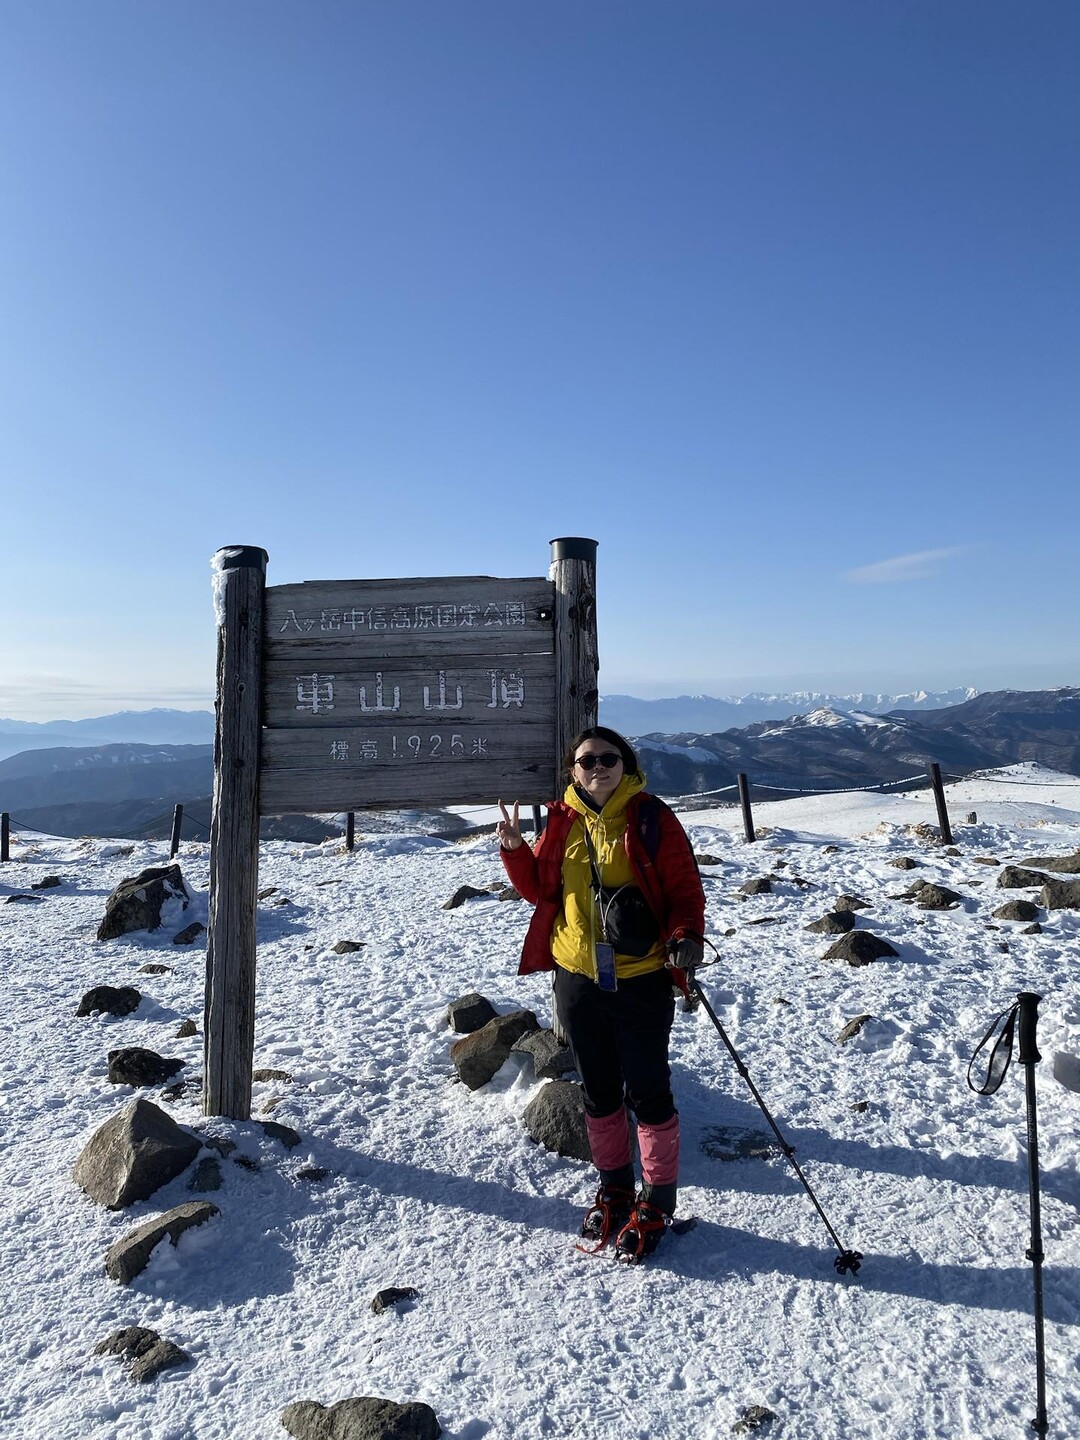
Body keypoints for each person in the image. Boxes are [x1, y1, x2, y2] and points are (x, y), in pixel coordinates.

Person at [498, 725, 705, 1261]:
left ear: (626, 763)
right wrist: (517, 850)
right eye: (586, 760)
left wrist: (685, 936)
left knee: (649, 1090)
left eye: (608, 758)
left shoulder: (651, 817)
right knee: (598, 1090)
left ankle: (657, 1197)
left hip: (640, 976)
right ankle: (613, 1185)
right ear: (573, 769)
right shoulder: (562, 819)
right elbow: (538, 891)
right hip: (576, 976)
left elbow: (684, 889)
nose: (598, 768)